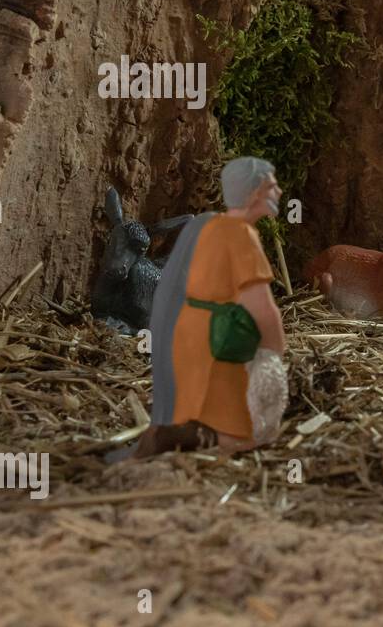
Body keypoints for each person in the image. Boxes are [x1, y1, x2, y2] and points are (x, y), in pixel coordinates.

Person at [122, 157, 288, 459]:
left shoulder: (212, 226)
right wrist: (274, 349)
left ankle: (168, 431)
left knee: (193, 396)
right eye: (271, 186)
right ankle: (215, 442)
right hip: (219, 332)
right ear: (253, 193)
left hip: (189, 324)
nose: (278, 191)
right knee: (239, 421)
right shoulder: (243, 236)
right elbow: (260, 304)